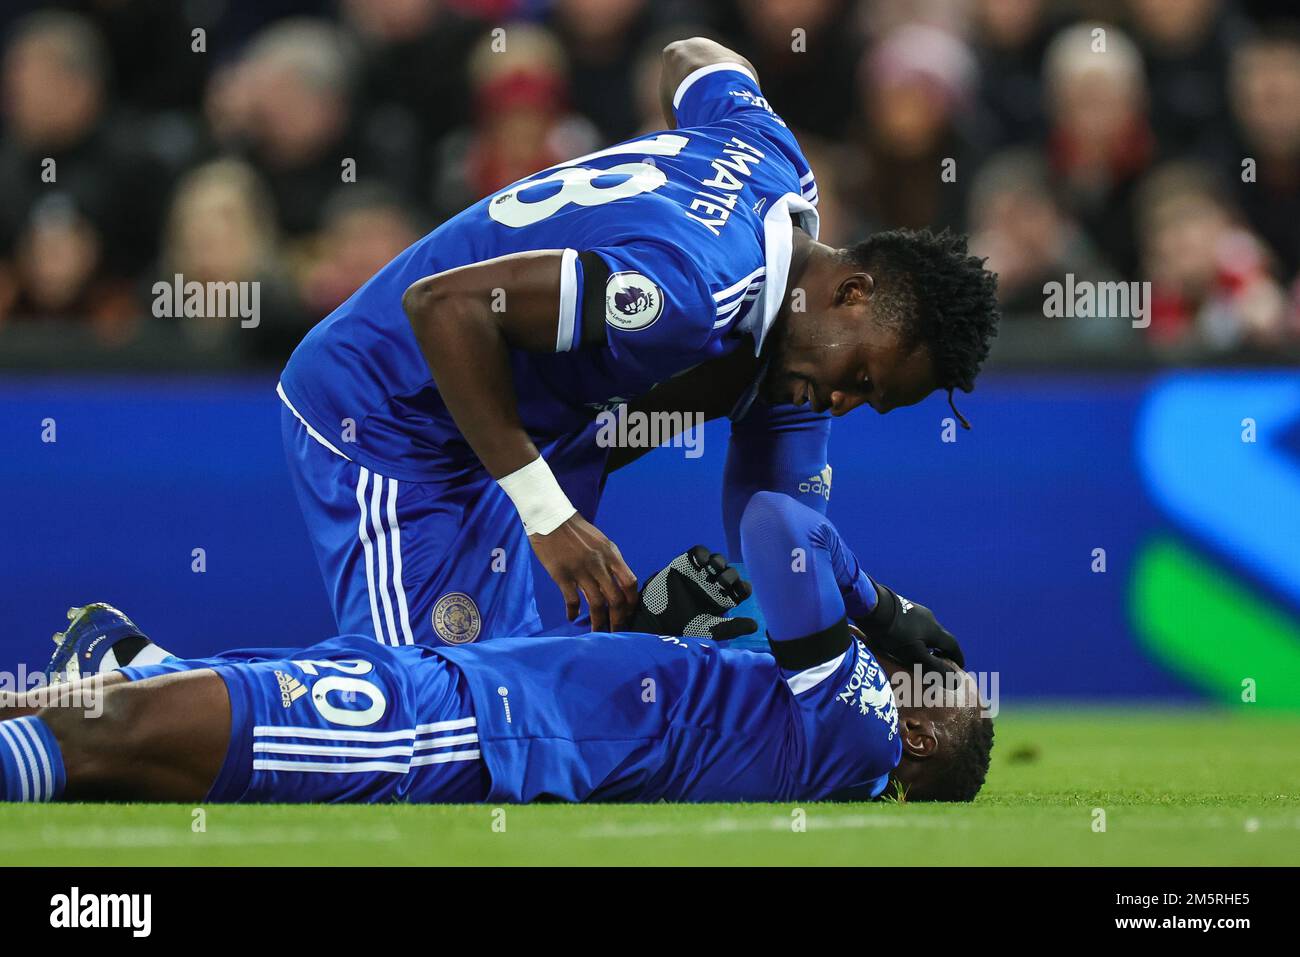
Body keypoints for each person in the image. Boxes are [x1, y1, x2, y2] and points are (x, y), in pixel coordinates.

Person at [275, 34, 1000, 649]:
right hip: (387, 407)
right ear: (851, 294)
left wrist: (880, 615)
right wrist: (550, 515)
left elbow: (693, 55)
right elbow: (445, 305)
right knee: (425, 728)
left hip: (493, 434)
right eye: (863, 379)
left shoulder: (773, 162)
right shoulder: (686, 289)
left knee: (495, 704)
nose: (843, 402)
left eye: (867, 403)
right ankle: (166, 691)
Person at [12, 493, 988, 806]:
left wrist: (879, 605)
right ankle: (126, 668)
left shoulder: (864, 726)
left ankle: (123, 676)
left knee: (139, 728)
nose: (927, 664)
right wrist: (673, 628)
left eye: (940, 687)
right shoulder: (818, 723)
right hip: (485, 687)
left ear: (924, 739)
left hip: (496, 729)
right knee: (179, 702)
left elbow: (778, 523)